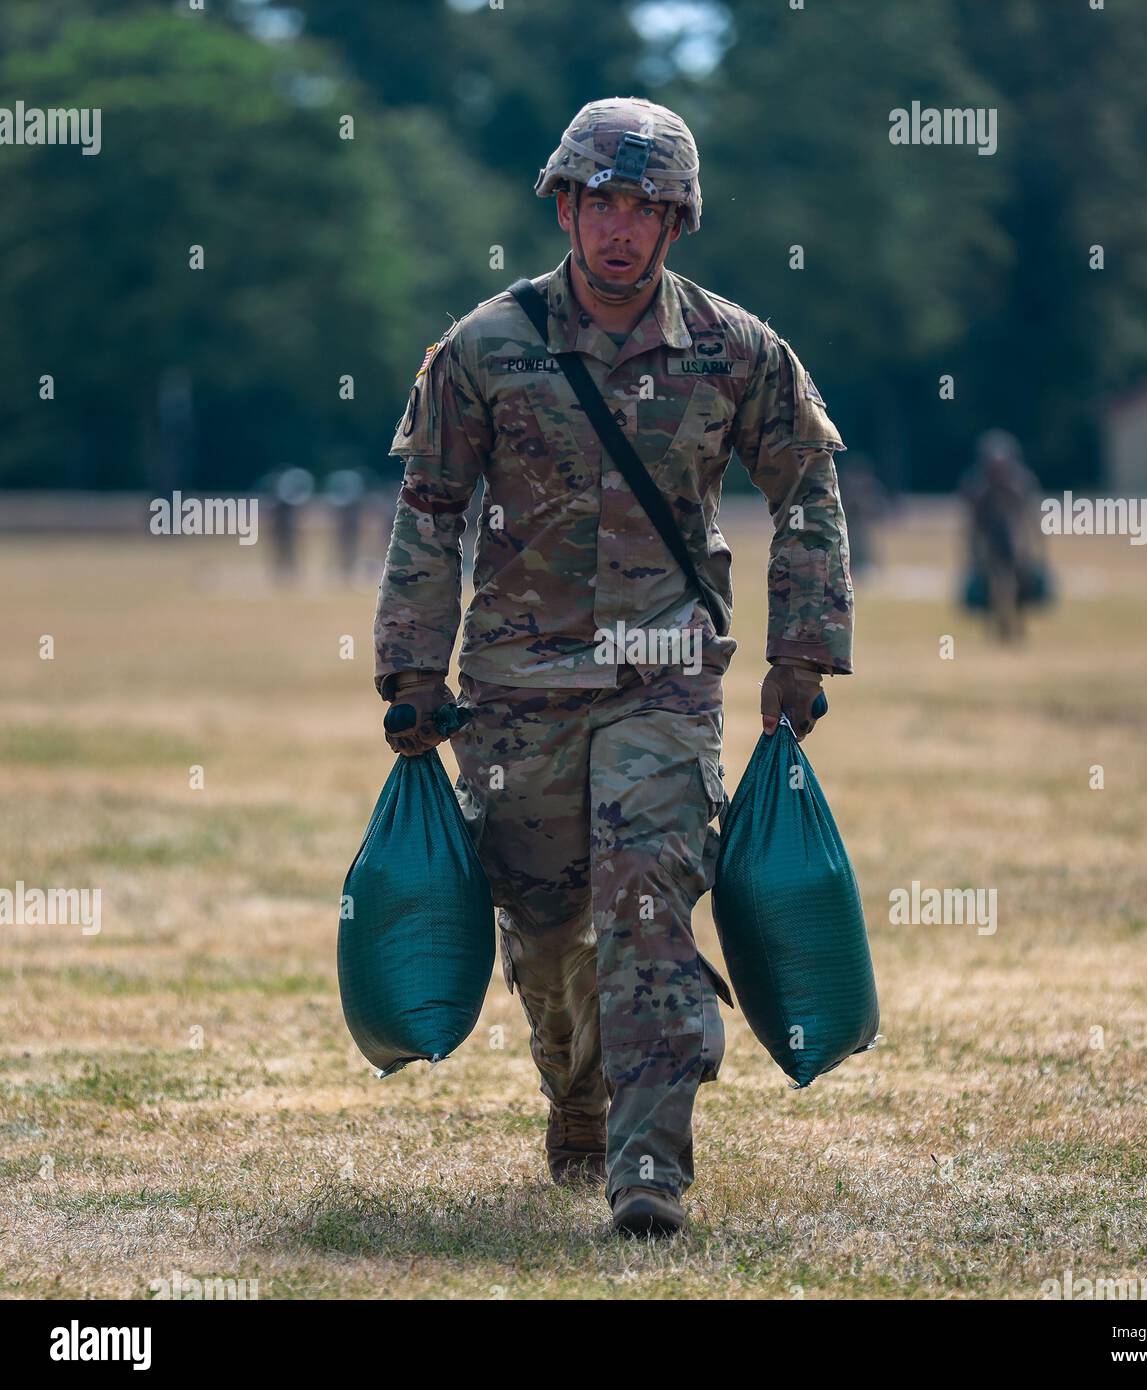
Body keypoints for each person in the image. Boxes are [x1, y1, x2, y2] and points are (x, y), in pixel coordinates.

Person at [372, 98, 853, 1238]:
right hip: (515, 693)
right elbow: (428, 514)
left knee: (647, 904)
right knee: (544, 933)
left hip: (665, 684)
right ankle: (578, 1098)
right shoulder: (485, 348)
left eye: (646, 206)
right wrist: (408, 674)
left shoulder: (736, 351)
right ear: (564, 204)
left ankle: (651, 1169)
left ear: (678, 221)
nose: (620, 227)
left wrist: (802, 649)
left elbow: (809, 490)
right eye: (602, 202)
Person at [959, 430, 1042, 642]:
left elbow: (1029, 518)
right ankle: (996, 629)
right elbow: (972, 525)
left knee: (1020, 585)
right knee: (992, 587)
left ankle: (1019, 627)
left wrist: (1034, 548)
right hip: (990, 542)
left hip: (1014, 541)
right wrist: (972, 552)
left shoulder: (1020, 484)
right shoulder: (979, 489)